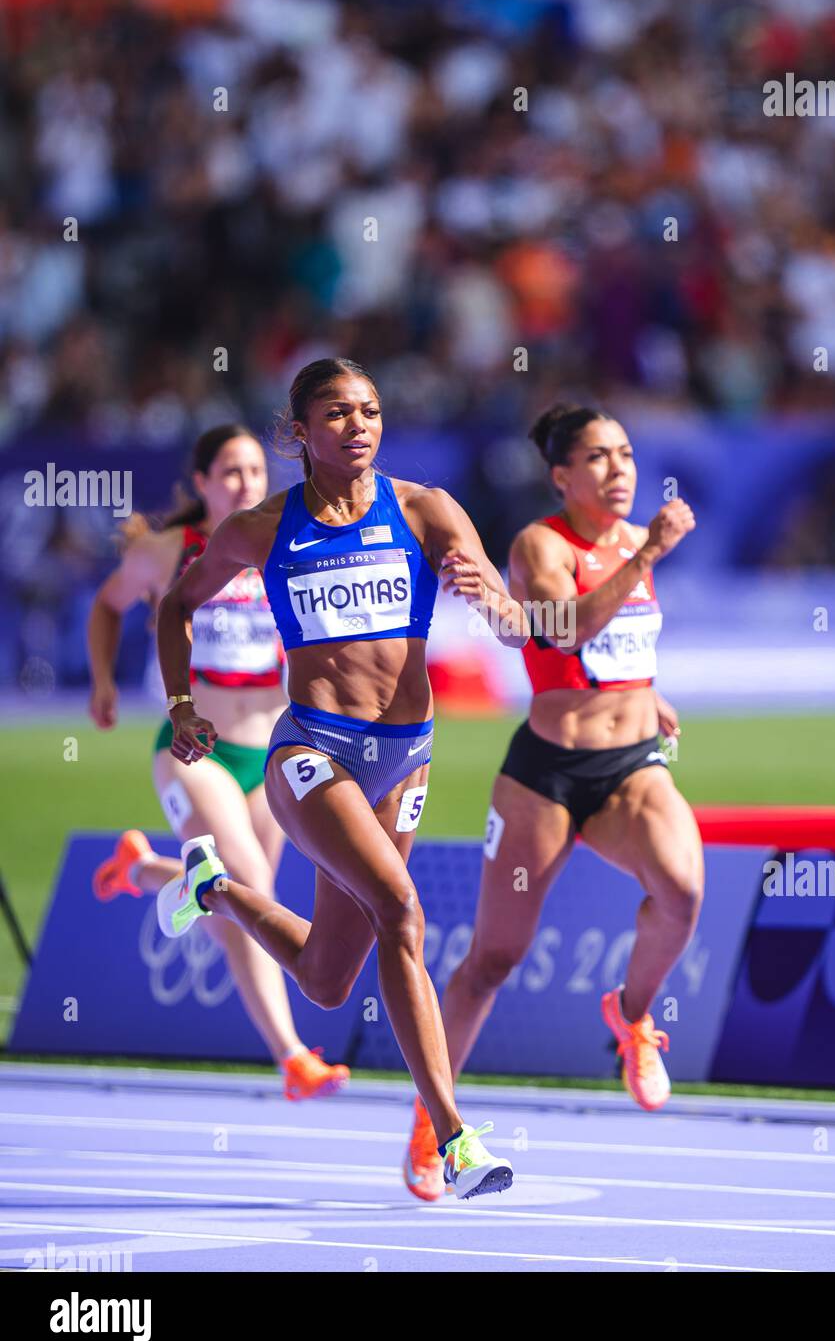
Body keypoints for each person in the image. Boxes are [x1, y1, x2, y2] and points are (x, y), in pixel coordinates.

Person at [154, 357, 532, 1200]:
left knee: (327, 979)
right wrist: (183, 706)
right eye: (335, 413)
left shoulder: (427, 510)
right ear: (297, 434)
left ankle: (215, 887)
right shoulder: (261, 528)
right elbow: (176, 606)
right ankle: (454, 1134)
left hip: (406, 755)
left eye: (369, 410)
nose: (358, 425)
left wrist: (495, 604)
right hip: (311, 751)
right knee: (401, 908)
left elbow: (513, 627)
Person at [403, 403, 704, 1200]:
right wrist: (644, 557)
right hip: (546, 776)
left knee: (681, 891)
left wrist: (650, 694)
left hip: (632, 764)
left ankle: (633, 1017)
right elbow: (563, 633)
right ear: (562, 475)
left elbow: (619, 649)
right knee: (494, 959)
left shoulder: (632, 543)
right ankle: (435, 1117)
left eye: (628, 454)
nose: (620, 470)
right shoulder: (543, 545)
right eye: (599, 458)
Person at [87, 424, 349, 1100]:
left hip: (269, 756)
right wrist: (104, 682)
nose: (245, 485)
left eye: (256, 472)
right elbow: (108, 605)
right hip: (194, 751)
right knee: (248, 880)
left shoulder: (282, 546)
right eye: (230, 472)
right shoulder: (164, 553)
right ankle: (293, 1056)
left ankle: (142, 870)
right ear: (201, 482)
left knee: (239, 905)